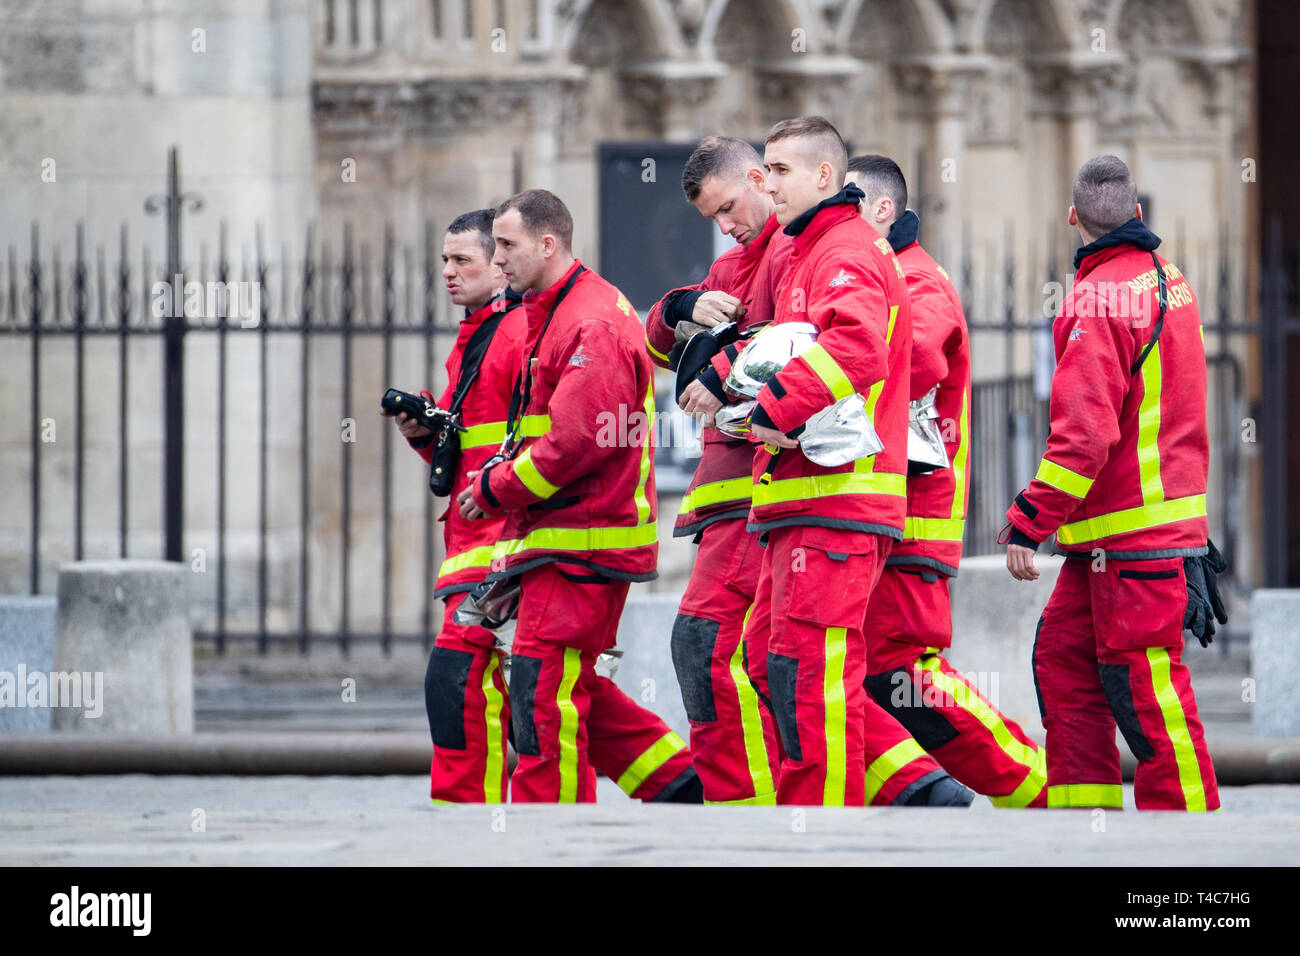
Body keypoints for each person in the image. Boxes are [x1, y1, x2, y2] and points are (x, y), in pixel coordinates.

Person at [390, 208, 698, 804]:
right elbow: (493, 439)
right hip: (522, 535)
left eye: (478, 256)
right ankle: (678, 785)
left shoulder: (553, 324)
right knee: (555, 686)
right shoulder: (515, 326)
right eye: (448, 261)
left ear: (545, 243)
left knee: (490, 682)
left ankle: (506, 827)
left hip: (531, 537)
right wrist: (428, 433)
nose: (456, 272)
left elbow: (569, 443)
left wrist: (496, 495)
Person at [726, 116, 964, 806]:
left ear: (825, 176)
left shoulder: (846, 250)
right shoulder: (810, 251)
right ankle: (911, 788)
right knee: (769, 661)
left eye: (779, 171)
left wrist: (769, 412)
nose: (767, 185)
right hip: (800, 498)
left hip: (838, 502)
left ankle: (825, 831)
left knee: (809, 670)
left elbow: (859, 348)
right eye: (765, 171)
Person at [1003, 155, 1222, 811]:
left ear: (1073, 218)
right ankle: (1083, 820)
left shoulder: (1096, 300)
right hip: (1126, 536)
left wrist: (1029, 520)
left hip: (1134, 536)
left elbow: (1084, 435)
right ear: (1139, 214)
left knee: (1144, 682)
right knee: (1065, 660)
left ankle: (1188, 832)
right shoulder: (1169, 279)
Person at [846, 155, 1048, 808]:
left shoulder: (917, 283)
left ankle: (1035, 787)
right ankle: (912, 794)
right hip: (879, 516)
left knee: (900, 672)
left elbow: (909, 362)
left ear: (882, 212)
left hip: (910, 524)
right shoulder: (880, 275)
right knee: (871, 676)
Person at [643, 136, 791, 805]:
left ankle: (744, 811)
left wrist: (723, 366)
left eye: (729, 207)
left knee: (712, 649)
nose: (725, 226)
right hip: (731, 498)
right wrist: (681, 308)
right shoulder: (735, 264)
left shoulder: (796, 252)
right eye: (714, 218)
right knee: (747, 660)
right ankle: (917, 790)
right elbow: (656, 336)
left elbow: (802, 343)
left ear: (760, 178)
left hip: (761, 493)